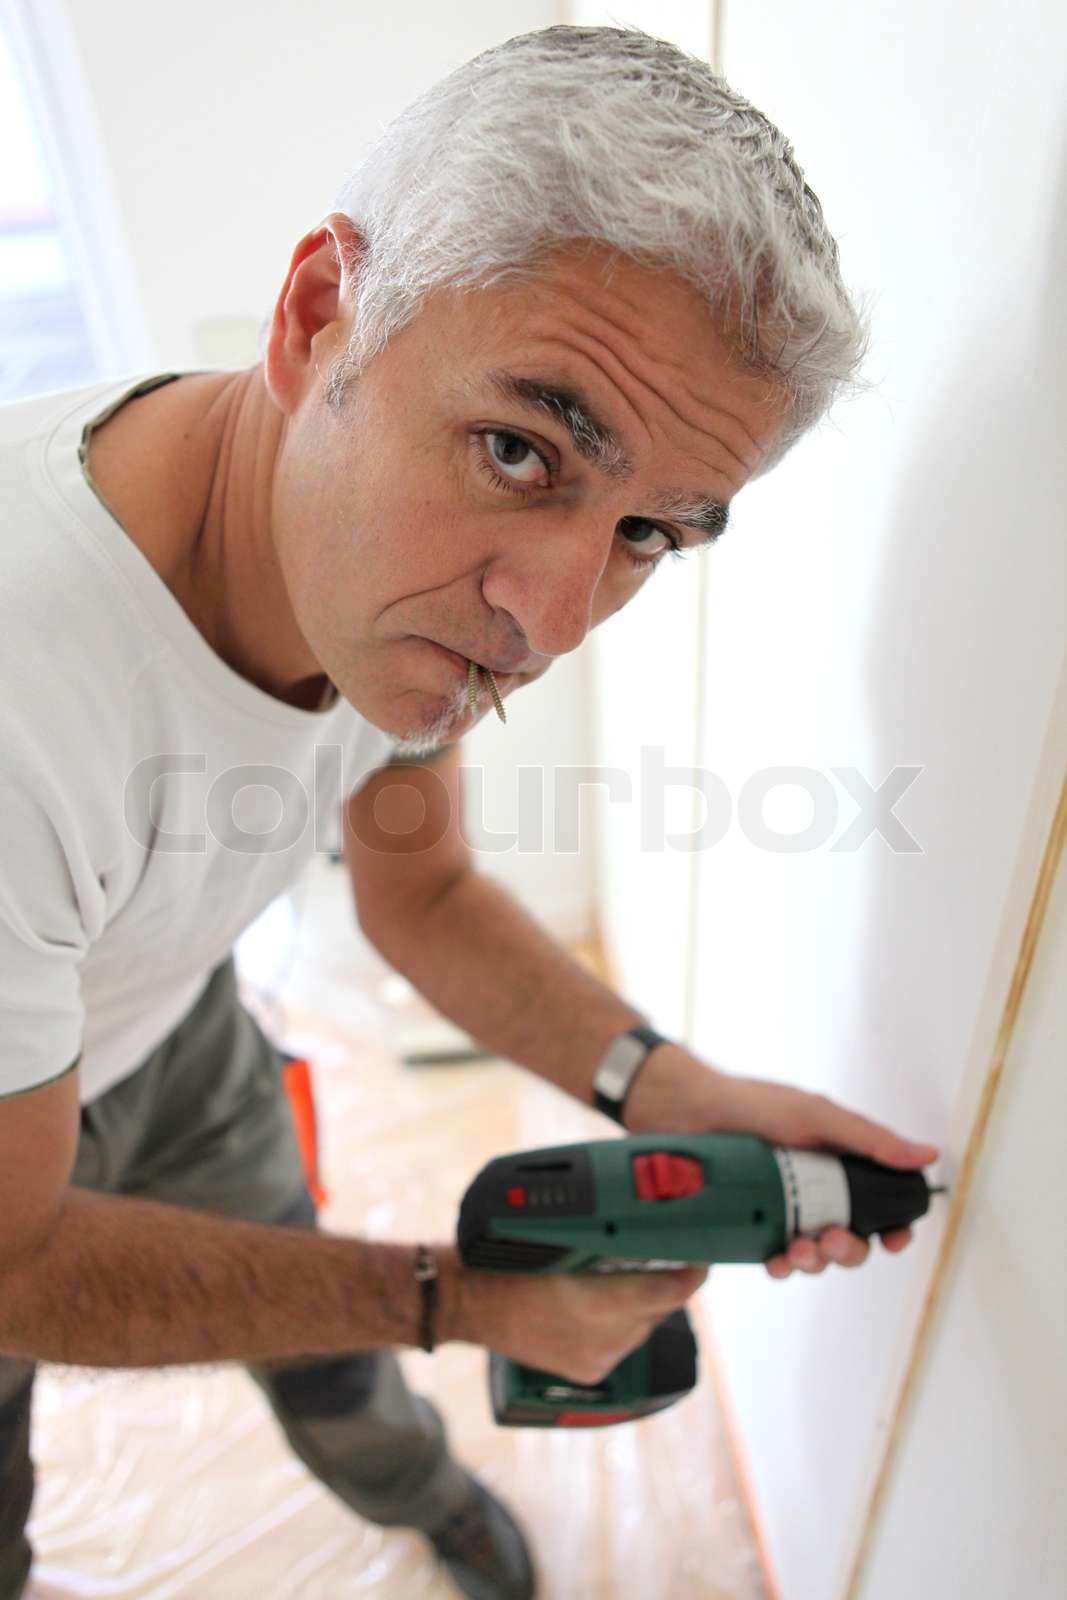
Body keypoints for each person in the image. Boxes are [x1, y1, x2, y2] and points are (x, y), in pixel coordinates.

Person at [0, 25, 940, 1600]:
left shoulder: (359, 566)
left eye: (649, 531)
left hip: (167, 1029)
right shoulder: (27, 691)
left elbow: (416, 897)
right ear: (318, 316)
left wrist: (668, 1087)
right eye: (523, 449)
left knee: (332, 1353)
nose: (556, 615)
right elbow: (14, 1266)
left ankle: (416, 1496)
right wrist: (457, 1298)